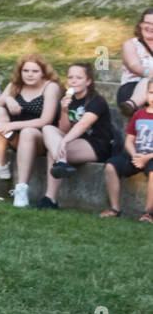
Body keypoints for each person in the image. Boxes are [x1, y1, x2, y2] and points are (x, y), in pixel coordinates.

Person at [0, 54, 62, 207]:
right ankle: (0, 164)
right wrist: (8, 99)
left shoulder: (51, 87)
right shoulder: (16, 85)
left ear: (43, 72)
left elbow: (45, 120)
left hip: (42, 139)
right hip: (17, 139)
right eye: (25, 71)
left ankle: (21, 190)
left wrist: (12, 126)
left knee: (28, 132)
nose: (29, 75)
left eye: (35, 71)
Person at [37, 62, 113, 209]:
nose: (73, 81)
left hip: (96, 144)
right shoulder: (68, 100)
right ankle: (62, 163)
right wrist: (64, 110)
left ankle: (50, 199)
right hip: (75, 140)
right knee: (47, 129)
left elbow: (83, 124)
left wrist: (64, 141)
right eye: (70, 77)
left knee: (55, 149)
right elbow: (64, 129)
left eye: (78, 77)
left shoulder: (97, 101)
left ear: (88, 81)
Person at [100, 100, 153, 221]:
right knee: (111, 165)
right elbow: (129, 141)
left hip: (151, 157)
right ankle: (115, 209)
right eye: (151, 92)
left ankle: (149, 213)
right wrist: (134, 155)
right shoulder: (138, 115)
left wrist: (146, 158)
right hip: (136, 154)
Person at [117, 8, 153, 117]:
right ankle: (131, 104)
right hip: (132, 88)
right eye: (147, 23)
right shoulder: (130, 44)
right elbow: (133, 65)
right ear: (141, 24)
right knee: (149, 80)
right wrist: (149, 73)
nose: (151, 27)